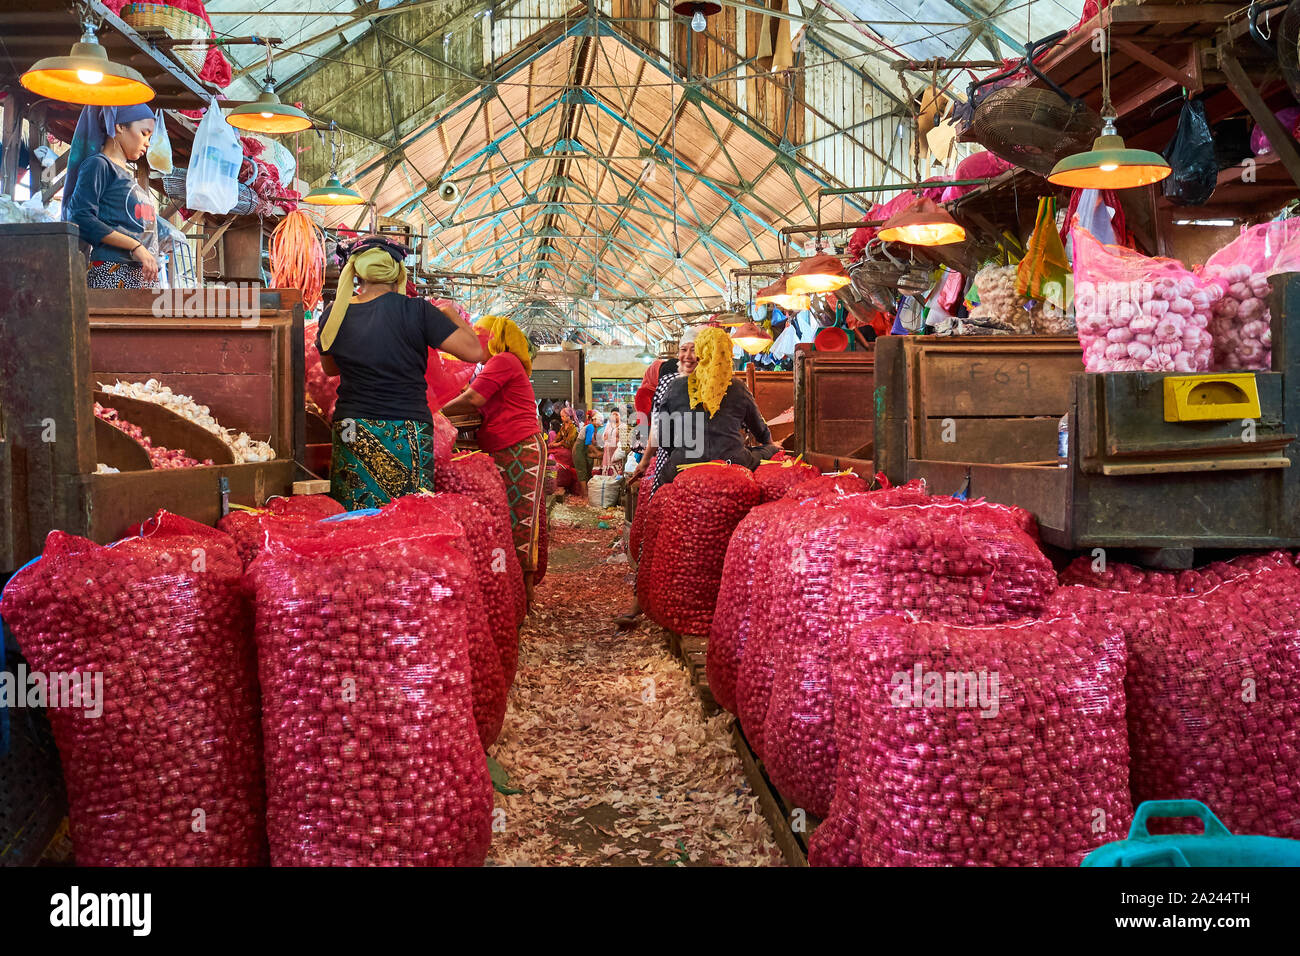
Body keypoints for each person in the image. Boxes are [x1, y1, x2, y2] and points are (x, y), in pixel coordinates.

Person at [317, 237, 484, 510]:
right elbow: (474, 351)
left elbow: (330, 368)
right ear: (396, 272)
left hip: (352, 428)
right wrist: (450, 314)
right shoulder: (418, 312)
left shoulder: (334, 314)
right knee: (410, 517)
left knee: (356, 516)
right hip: (408, 428)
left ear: (356, 272)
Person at [440, 315, 548, 604]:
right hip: (505, 447)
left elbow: (473, 399)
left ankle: (525, 595)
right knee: (506, 518)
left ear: (497, 339)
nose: (476, 341)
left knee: (519, 520)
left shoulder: (504, 361)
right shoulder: (492, 366)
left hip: (519, 448)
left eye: (481, 335)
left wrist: (435, 412)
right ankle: (513, 593)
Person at [657, 326, 780, 479]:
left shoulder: (675, 386)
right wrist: (772, 446)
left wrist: (686, 453)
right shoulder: (737, 386)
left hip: (683, 465)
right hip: (733, 462)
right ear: (727, 354)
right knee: (771, 449)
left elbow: (664, 438)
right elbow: (759, 429)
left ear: (700, 353)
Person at [62, 104, 161, 289]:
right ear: (120, 127)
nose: (148, 142)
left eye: (150, 137)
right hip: (113, 271)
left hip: (139, 273)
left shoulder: (126, 176)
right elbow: (79, 216)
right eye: (144, 133)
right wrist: (136, 247)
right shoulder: (99, 165)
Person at [600, 407, 622, 475]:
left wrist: (611, 438)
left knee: (616, 474)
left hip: (616, 455)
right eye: (613, 415)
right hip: (607, 455)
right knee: (607, 473)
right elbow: (604, 437)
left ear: (620, 416)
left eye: (616, 414)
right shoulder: (608, 425)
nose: (614, 416)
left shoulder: (622, 426)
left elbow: (623, 441)